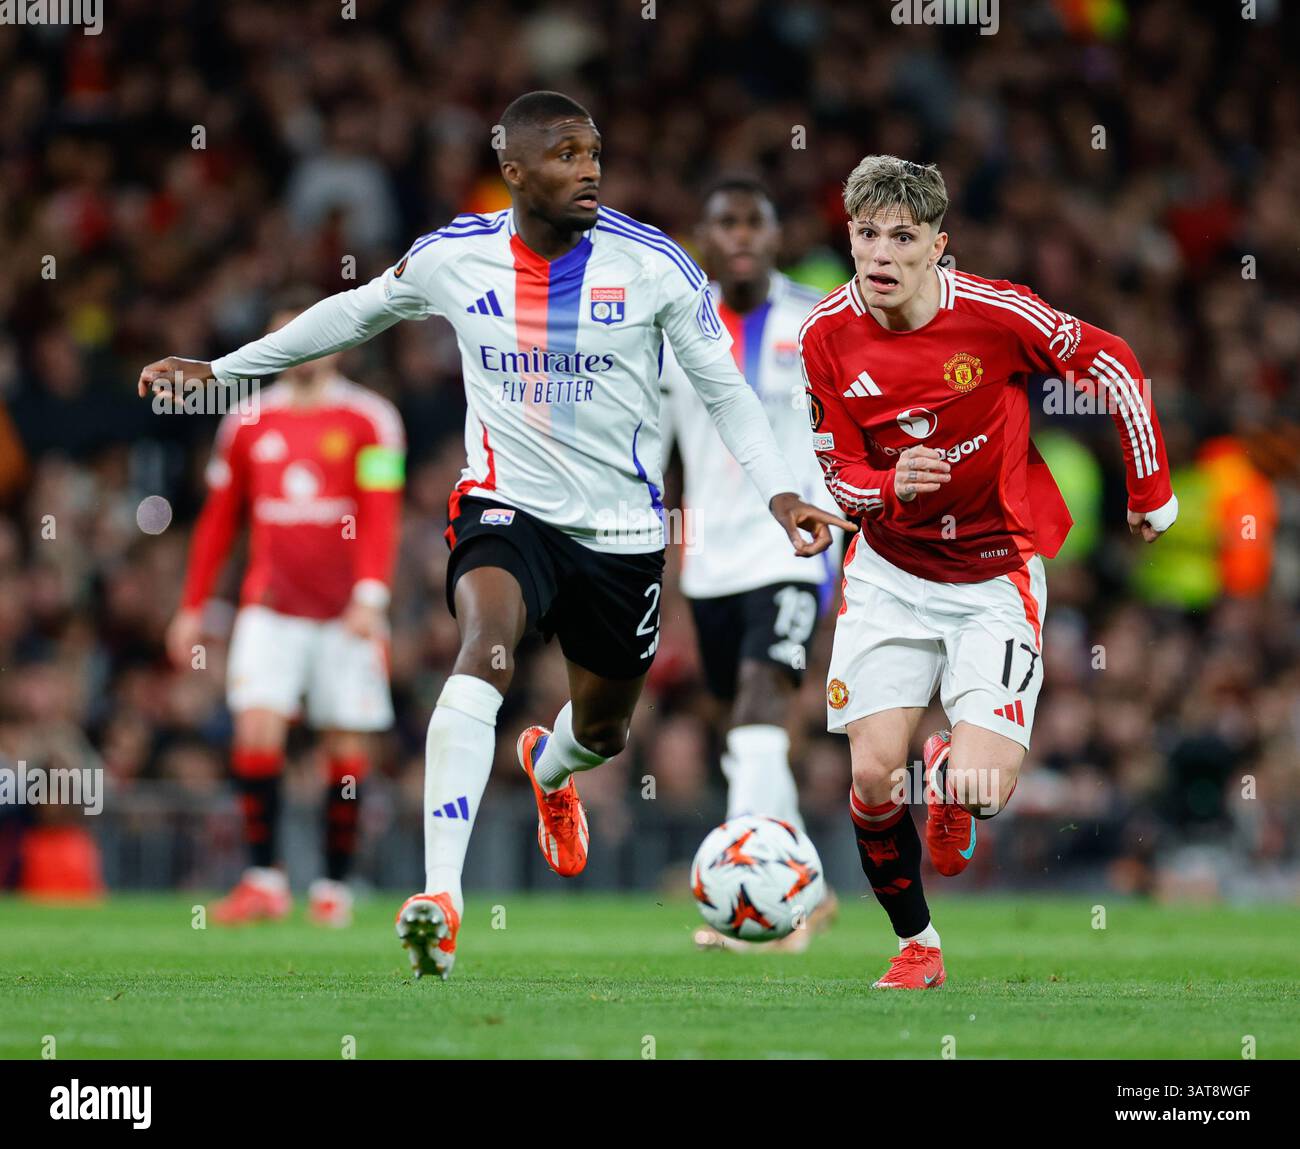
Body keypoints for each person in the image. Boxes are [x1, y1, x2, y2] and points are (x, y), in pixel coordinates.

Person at [139, 92, 850, 979]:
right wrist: (220, 370)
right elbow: (351, 313)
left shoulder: (654, 265)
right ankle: (442, 895)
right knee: (484, 644)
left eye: (594, 151)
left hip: (622, 533)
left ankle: (552, 773)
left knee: (603, 729)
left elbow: (726, 393)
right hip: (504, 506)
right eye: (564, 153)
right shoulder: (454, 257)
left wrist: (782, 494)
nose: (588, 167)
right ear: (513, 170)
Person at [799, 156, 1177, 989]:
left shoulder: (994, 314)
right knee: (868, 773)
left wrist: (1151, 489)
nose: (880, 255)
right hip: (890, 573)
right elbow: (836, 469)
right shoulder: (825, 334)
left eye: (902, 237)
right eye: (866, 235)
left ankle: (948, 783)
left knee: (981, 788)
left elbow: (1110, 363)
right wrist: (887, 485)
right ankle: (917, 944)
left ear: (940, 246)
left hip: (992, 578)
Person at [167, 291, 404, 928]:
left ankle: (333, 885)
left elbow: (380, 514)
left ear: (336, 342)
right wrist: (193, 605)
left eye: (310, 333)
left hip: (344, 615)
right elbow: (218, 523)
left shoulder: (371, 420)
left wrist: (371, 596)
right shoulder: (245, 422)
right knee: (256, 732)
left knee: (346, 749)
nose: (300, 348)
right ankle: (264, 879)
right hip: (268, 609)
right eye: (287, 336)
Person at [659, 177, 841, 952]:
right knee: (746, 737)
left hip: (796, 548)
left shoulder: (819, 320)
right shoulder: (670, 329)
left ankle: (751, 907)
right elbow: (653, 448)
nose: (740, 236)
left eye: (753, 222)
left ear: (776, 235)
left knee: (762, 719)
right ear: (703, 235)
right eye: (724, 222)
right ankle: (813, 891)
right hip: (709, 564)